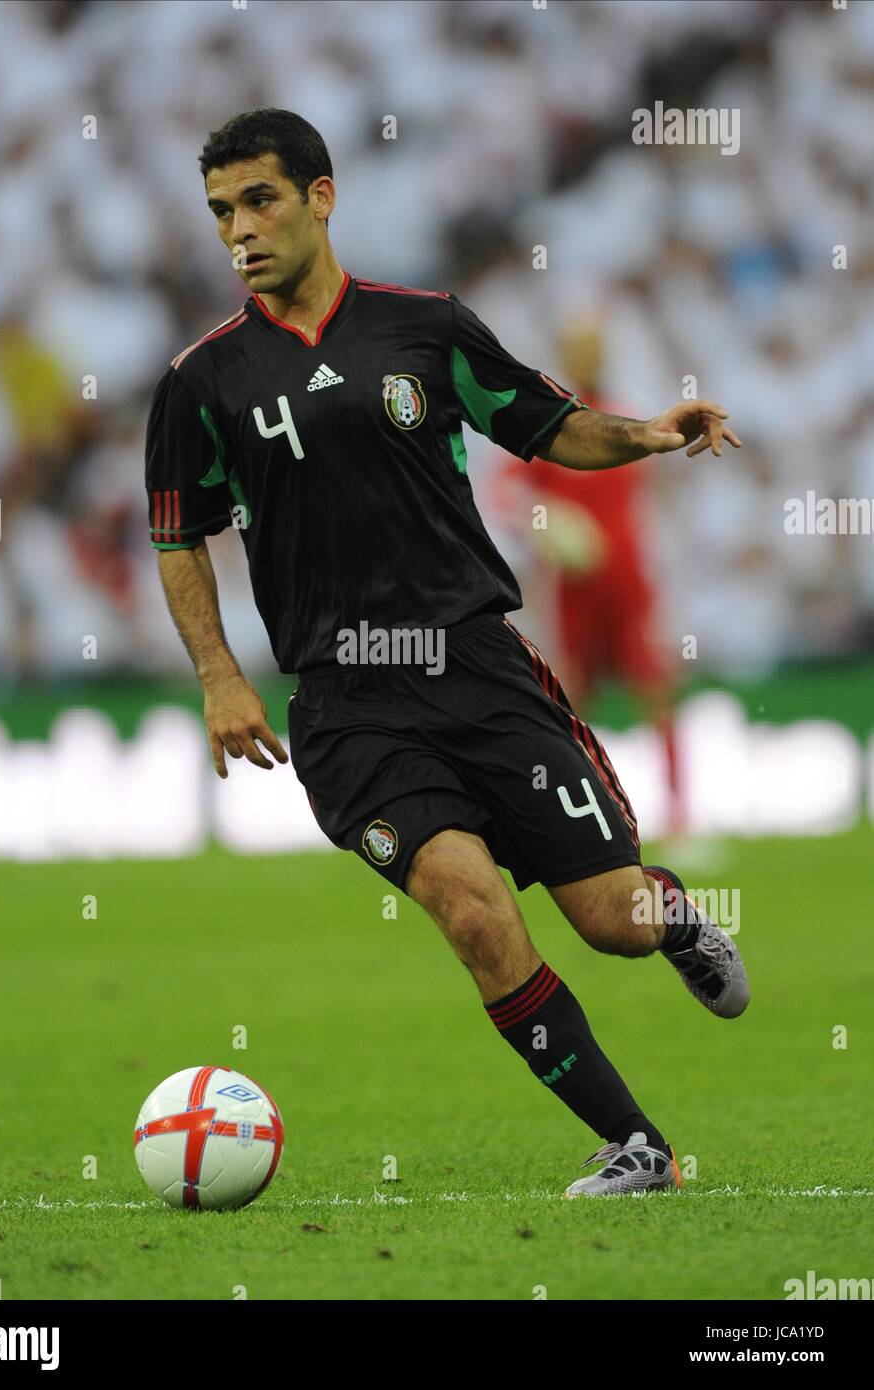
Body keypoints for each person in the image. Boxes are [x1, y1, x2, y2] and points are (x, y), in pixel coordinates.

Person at [145, 108, 747, 1199]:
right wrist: (220, 675)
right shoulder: (202, 383)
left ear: (322, 196)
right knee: (472, 908)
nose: (240, 227)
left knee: (612, 920)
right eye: (222, 211)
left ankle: (675, 914)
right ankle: (637, 1144)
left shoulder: (424, 328)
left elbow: (547, 423)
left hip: (476, 666)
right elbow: (178, 533)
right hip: (348, 706)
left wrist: (650, 434)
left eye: (260, 200)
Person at [493, 318, 686, 836]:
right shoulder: (557, 422)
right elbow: (506, 490)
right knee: (571, 699)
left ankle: (680, 814)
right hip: (574, 588)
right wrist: (546, 523)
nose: (587, 358)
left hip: (627, 581)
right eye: (579, 349)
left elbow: (655, 494)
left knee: (655, 687)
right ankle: (581, 817)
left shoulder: (626, 415)